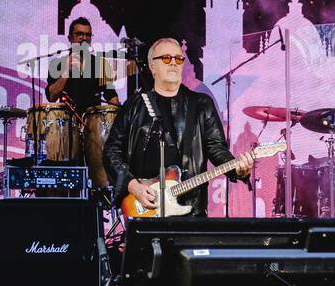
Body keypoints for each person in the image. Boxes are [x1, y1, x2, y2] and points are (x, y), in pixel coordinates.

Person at [102, 36, 253, 216]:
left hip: (191, 208)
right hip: (144, 208)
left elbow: (216, 148)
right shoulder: (134, 106)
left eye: (178, 59)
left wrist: (238, 169)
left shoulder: (201, 105)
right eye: (166, 58)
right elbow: (111, 151)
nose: (174, 63)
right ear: (152, 66)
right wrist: (134, 186)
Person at [46, 17, 120, 112]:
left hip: (93, 123)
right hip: (68, 122)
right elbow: (52, 97)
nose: (84, 38)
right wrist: (66, 72)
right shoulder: (57, 64)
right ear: (70, 38)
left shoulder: (100, 64)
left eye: (88, 35)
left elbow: (112, 97)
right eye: (79, 34)